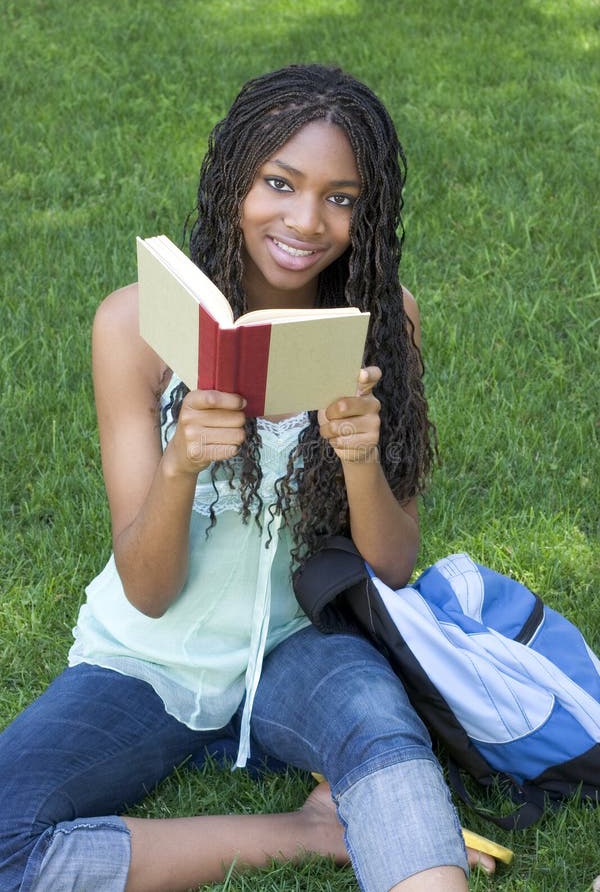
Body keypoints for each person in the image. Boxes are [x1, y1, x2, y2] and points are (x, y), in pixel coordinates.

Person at [0, 64, 495, 891]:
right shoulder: (134, 327)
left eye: (341, 197)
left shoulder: (384, 318)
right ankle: (304, 831)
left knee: (386, 741)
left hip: (302, 642)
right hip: (146, 661)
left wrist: (361, 458)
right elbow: (149, 590)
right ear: (235, 179)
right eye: (279, 183)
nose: (307, 221)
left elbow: (394, 563)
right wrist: (181, 462)